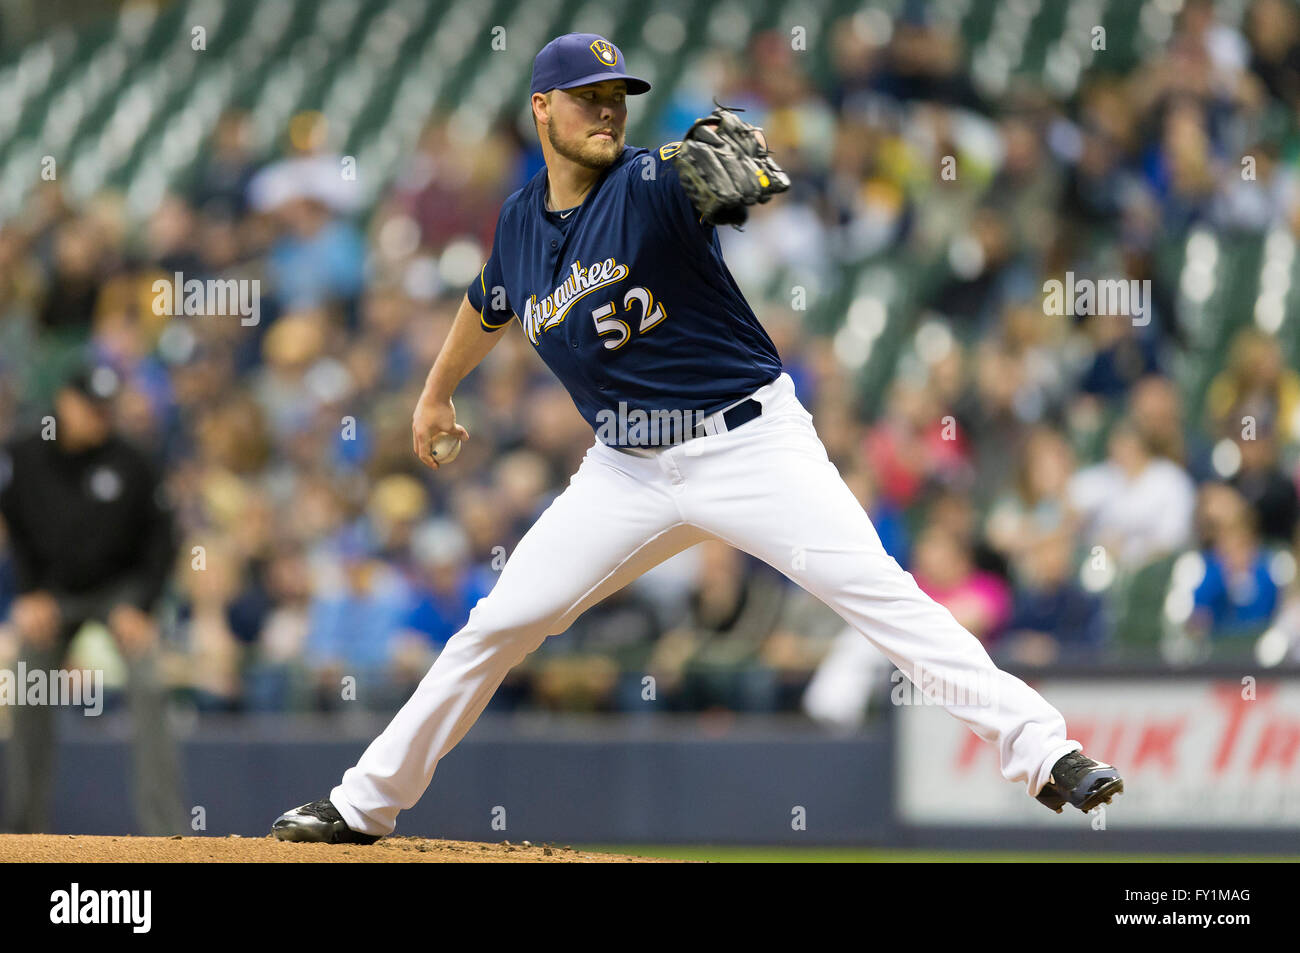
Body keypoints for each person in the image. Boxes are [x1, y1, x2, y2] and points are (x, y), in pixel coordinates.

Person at [271, 33, 1122, 844]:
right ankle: (363, 805)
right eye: (587, 99)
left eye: (617, 99)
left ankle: (1046, 750)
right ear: (542, 109)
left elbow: (695, 179)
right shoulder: (523, 222)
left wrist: (720, 174)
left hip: (748, 442)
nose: (607, 111)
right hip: (624, 470)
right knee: (496, 625)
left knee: (878, 593)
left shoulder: (646, 184)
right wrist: (434, 391)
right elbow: (489, 298)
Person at [0, 365, 184, 834]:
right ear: (64, 402)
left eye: (106, 408)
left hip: (118, 591)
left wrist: (140, 604)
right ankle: (23, 835)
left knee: (148, 682)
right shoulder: (23, 456)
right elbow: (15, 528)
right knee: (27, 682)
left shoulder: (134, 461)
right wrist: (30, 592)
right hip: (54, 593)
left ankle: (165, 835)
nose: (99, 418)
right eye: (89, 407)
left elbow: (163, 539)